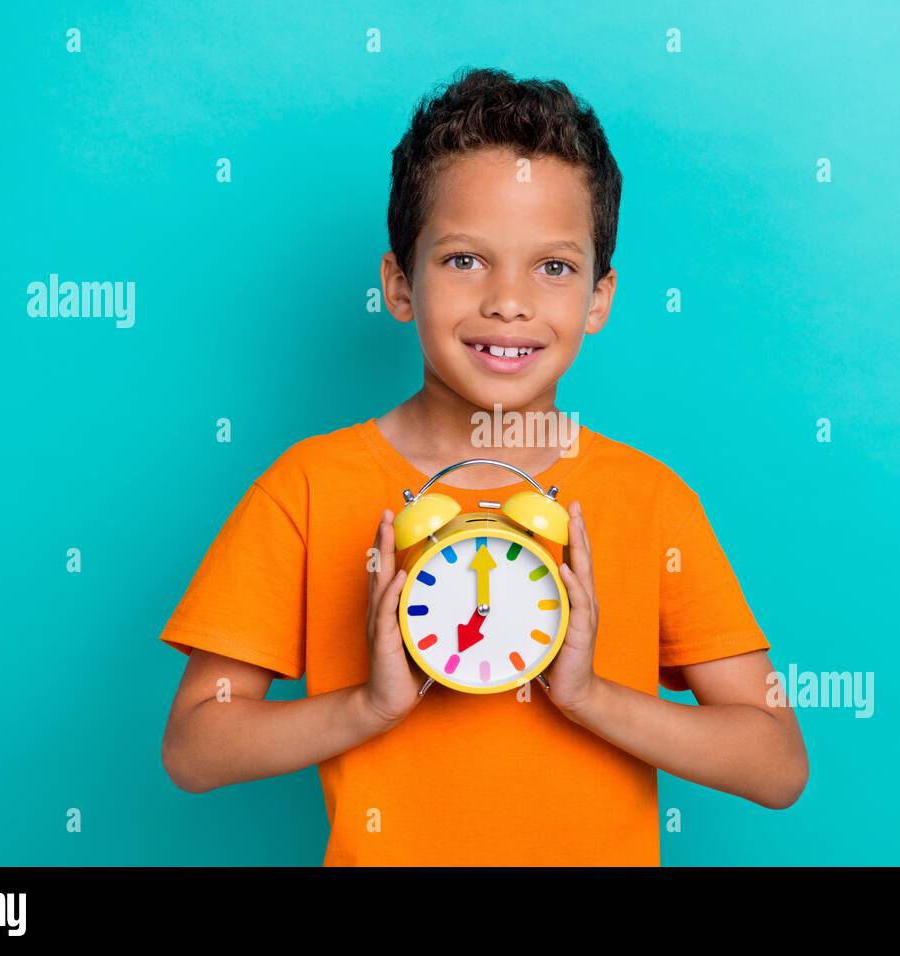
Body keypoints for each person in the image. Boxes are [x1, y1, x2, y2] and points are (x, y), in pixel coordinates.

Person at [159, 66, 808, 866]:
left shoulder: (650, 500)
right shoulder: (309, 486)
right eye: (465, 260)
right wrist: (367, 705)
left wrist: (588, 696)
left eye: (555, 267)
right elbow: (195, 745)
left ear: (600, 298)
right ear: (400, 284)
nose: (509, 301)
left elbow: (776, 763)